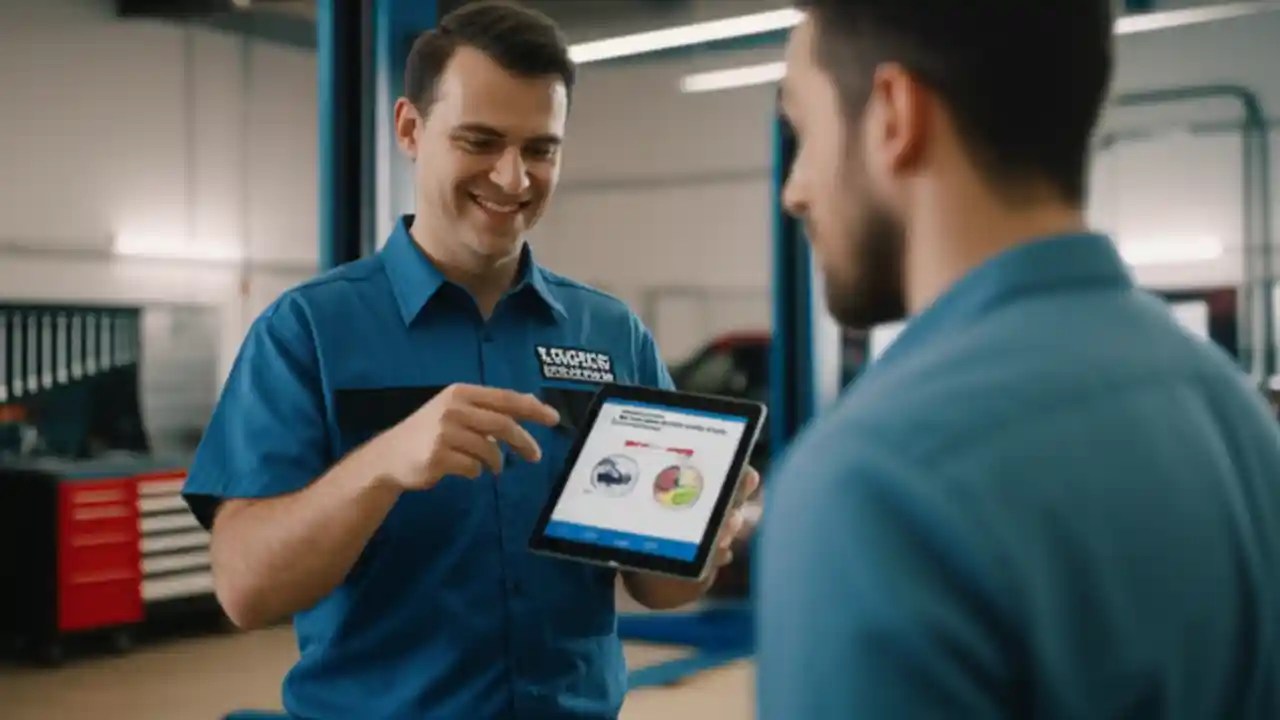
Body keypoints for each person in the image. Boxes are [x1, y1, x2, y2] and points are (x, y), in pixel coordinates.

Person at [183, 2, 757, 718]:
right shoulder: (306, 333)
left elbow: (660, 589)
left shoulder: (611, 334)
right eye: (481, 141)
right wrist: (383, 463)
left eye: (541, 149)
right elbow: (245, 589)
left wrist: (706, 534)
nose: (513, 178)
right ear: (409, 129)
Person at [758, 1, 1280, 717]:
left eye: (803, 132)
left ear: (893, 116)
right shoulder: (1233, 414)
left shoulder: (871, 482)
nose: (796, 190)